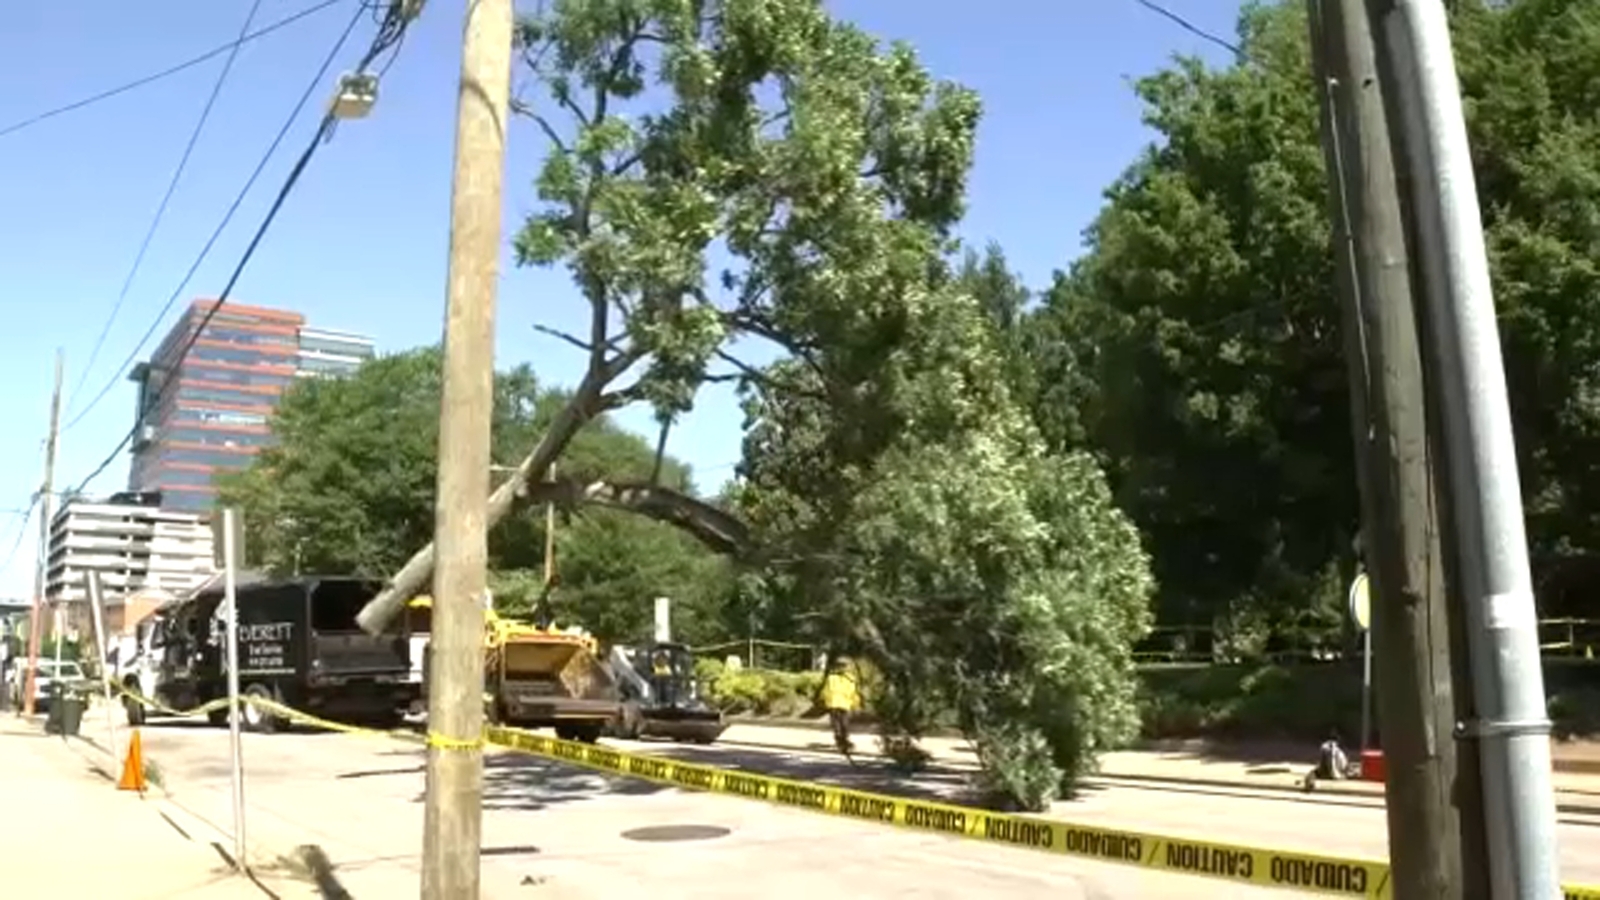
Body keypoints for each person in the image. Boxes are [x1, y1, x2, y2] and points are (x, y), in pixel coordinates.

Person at [820, 657, 860, 756]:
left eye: (844, 666)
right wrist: (826, 701)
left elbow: (854, 693)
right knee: (836, 725)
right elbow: (826, 691)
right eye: (840, 666)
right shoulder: (831, 678)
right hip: (833, 704)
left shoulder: (851, 679)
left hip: (845, 705)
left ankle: (845, 741)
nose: (842, 668)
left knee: (845, 725)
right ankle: (840, 742)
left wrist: (855, 704)